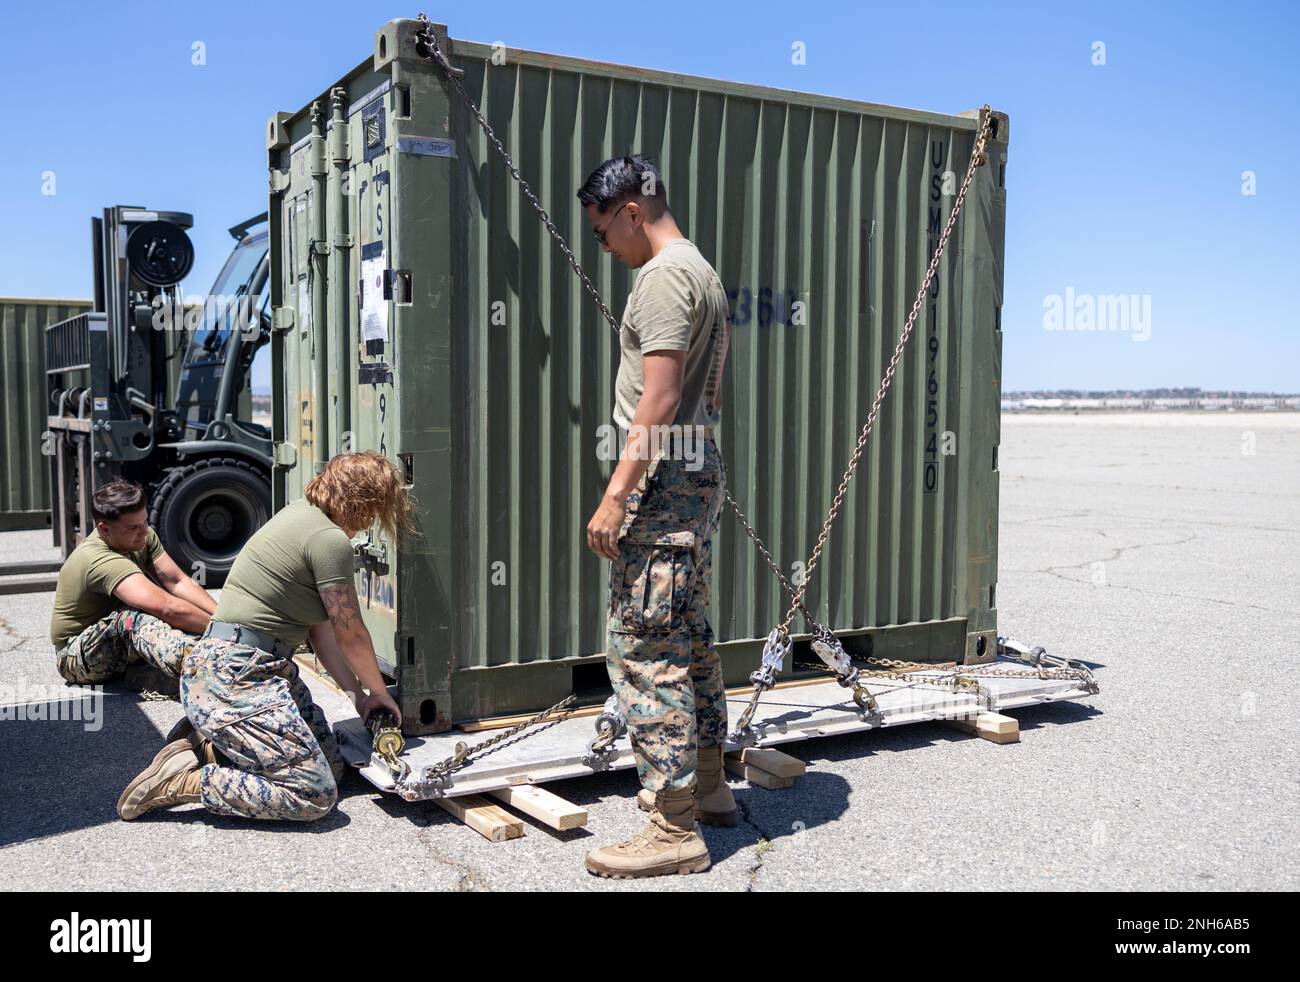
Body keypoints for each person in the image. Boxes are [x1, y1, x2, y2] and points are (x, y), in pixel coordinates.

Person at [578, 155, 733, 877]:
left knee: (645, 650)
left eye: (603, 231)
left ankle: (672, 827)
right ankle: (707, 786)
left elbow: (661, 399)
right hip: (693, 476)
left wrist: (616, 494)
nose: (603, 247)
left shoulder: (666, 278)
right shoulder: (700, 269)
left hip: (662, 483)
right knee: (689, 636)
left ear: (631, 211)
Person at [116, 451, 409, 822]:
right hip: (236, 678)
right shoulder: (328, 539)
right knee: (313, 793)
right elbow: (350, 634)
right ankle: (185, 782)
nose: (370, 523)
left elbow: (322, 635)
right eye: (374, 509)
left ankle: (206, 747)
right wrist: (381, 694)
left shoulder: (301, 516)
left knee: (334, 767)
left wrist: (359, 699)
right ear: (362, 503)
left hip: (248, 669)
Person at [50, 479, 214, 689]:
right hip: (76, 656)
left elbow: (177, 581)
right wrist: (227, 634)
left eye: (145, 521)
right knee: (132, 620)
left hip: (115, 644)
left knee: (187, 617)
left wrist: (226, 620)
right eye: (133, 527)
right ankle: (209, 666)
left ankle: (144, 675)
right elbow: (167, 606)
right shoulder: (99, 559)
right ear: (105, 529)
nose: (144, 531)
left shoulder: (141, 537)